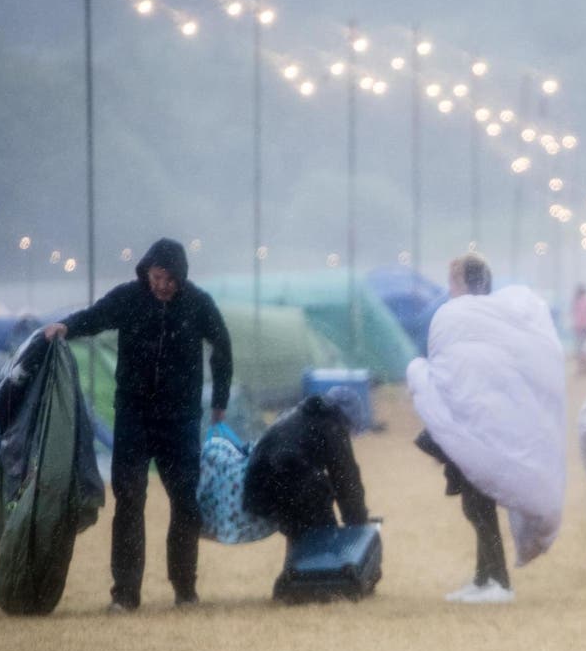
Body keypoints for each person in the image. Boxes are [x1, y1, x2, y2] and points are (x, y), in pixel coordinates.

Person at [43, 238, 232, 611]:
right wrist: (64, 327)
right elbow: (94, 317)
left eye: (170, 279)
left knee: (185, 501)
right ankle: (126, 594)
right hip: (134, 416)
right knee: (129, 500)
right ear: (146, 272)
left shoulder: (198, 304)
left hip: (180, 420)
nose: (162, 285)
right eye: (157, 276)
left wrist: (220, 401)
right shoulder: (129, 298)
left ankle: (185, 589)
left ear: (182, 278)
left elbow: (222, 346)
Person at [408, 253, 566, 604]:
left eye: (452, 282)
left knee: (478, 505)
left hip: (480, 428)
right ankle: (484, 577)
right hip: (481, 425)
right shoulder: (496, 320)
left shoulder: (460, 317)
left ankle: (499, 582)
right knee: (473, 503)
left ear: (464, 283)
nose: (448, 290)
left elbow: (460, 370)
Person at [242, 386, 369, 543]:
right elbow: (346, 479)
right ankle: (322, 561)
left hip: (257, 488)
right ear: (347, 418)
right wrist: (358, 524)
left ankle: (299, 566)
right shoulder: (331, 423)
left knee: (303, 537)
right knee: (323, 538)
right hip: (288, 480)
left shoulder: (300, 414)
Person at [571, 283, 586, 374]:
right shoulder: (585, 300)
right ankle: (585, 366)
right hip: (584, 327)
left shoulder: (582, 301)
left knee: (580, 348)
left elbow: (580, 315)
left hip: (582, 327)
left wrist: (577, 327)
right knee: (582, 347)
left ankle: (582, 368)